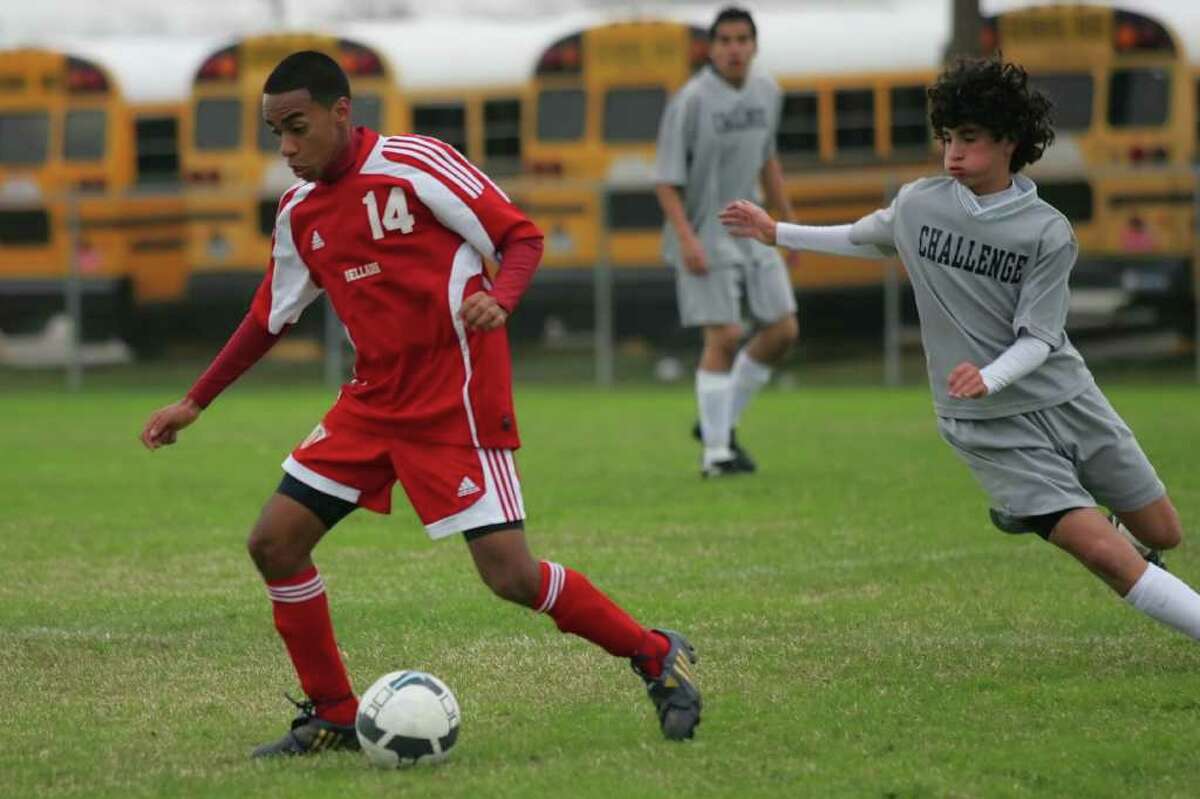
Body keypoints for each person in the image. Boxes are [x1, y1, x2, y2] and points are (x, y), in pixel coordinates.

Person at [139, 50, 700, 756]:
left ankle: (655, 653)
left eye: (297, 126)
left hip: (454, 402)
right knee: (274, 543)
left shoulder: (417, 162)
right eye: (274, 131)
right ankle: (335, 713)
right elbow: (267, 319)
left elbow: (519, 235)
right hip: (371, 403)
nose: (285, 147)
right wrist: (195, 401)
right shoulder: (299, 211)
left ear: (342, 112)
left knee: (511, 575)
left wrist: (501, 298)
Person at [720, 57, 1199, 645]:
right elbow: (862, 237)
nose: (952, 153)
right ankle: (1048, 512)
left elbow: (1041, 340)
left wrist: (992, 374)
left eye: (968, 139)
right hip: (986, 425)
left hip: (1066, 398)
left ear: (1009, 140)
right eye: (947, 138)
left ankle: (1064, 517)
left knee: (1163, 531)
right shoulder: (920, 203)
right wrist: (778, 232)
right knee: (1108, 558)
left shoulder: (1048, 232)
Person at [654, 6, 799, 478]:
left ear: (754, 45)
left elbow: (767, 161)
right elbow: (665, 181)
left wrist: (787, 226)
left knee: (783, 331)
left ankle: (717, 422)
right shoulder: (692, 100)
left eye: (742, 39)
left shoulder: (768, 91)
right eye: (725, 40)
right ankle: (716, 455)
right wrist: (687, 239)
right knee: (726, 335)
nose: (734, 48)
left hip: (754, 228)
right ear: (711, 49)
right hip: (705, 232)